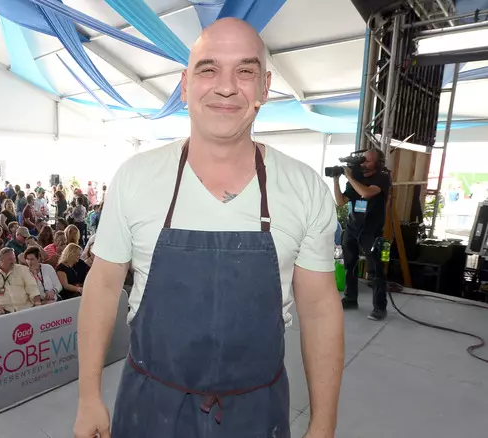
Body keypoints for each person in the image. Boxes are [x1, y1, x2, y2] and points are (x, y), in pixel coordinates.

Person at [73, 18, 343, 438]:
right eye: (208, 69)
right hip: (149, 408)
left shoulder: (304, 188)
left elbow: (320, 309)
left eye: (246, 71)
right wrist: (89, 396)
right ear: (185, 85)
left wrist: (323, 424)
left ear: (265, 87)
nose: (226, 86)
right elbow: (104, 286)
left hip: (258, 413)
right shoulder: (136, 177)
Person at [332, 148, 392, 321]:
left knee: (376, 270)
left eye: (368, 161)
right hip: (353, 227)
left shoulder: (382, 177)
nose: (363, 164)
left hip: (371, 230)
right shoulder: (356, 178)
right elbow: (341, 201)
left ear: (378, 163)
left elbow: (366, 192)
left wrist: (349, 176)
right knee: (349, 265)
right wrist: (336, 180)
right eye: (362, 160)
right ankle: (350, 298)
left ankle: (380, 307)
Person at [0, 247, 41, 316]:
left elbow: (33, 289)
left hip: (25, 308)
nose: (13, 261)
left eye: (14, 258)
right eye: (10, 259)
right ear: (1, 260)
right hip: (2, 312)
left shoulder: (23, 270)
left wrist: (37, 303)